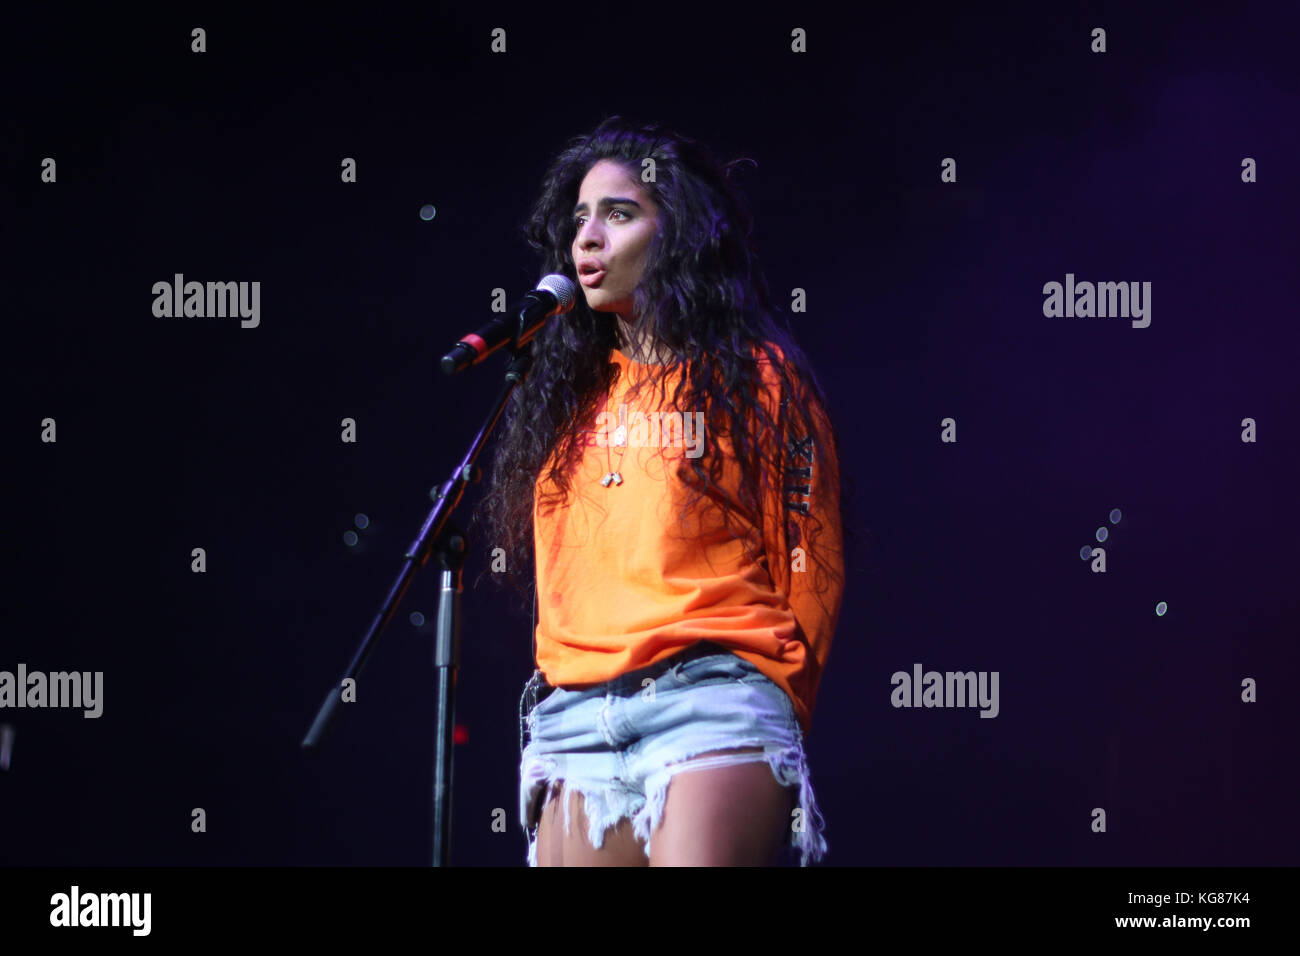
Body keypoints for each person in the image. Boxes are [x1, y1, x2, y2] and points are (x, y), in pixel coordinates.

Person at [474, 116, 847, 866]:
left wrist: (780, 693)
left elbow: (810, 553)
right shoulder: (564, 402)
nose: (587, 237)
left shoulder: (759, 378)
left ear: (676, 234)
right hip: (573, 718)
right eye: (579, 218)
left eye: (618, 213)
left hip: (711, 699)